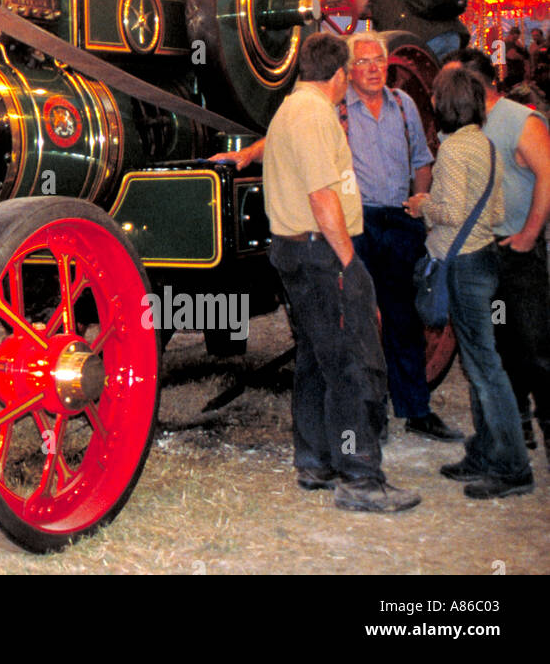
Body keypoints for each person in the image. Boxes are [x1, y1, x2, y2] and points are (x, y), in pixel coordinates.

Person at [214, 32, 462, 442]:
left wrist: (421, 204)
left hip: (399, 220)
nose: (371, 69)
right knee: (362, 325)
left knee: (403, 318)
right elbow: (283, 138)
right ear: (346, 70)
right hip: (352, 225)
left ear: (388, 64)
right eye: (362, 62)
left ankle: (417, 409)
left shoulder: (404, 107)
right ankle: (370, 418)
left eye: (378, 61)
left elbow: (422, 160)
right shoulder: (331, 107)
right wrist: (245, 155)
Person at [262, 32, 420, 512]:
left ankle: (315, 460)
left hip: (299, 251)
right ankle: (359, 477)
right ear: (337, 76)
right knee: (352, 367)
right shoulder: (312, 114)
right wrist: (350, 262)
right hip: (320, 254)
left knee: (315, 361)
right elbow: (321, 196)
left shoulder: (293, 108)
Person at [404, 67, 532, 498]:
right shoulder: (488, 144)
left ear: (445, 105)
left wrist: (424, 205)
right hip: (485, 258)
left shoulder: (457, 150)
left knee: (485, 370)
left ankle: (513, 467)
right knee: (481, 364)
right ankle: (483, 453)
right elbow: (494, 211)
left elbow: (453, 211)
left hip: (461, 264)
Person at [448, 47, 550, 462]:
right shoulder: (460, 125)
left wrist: (529, 234)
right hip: (482, 258)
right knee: (499, 344)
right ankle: (513, 431)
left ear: (474, 83)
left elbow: (548, 175)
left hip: (517, 257)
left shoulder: (519, 120)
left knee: (538, 349)